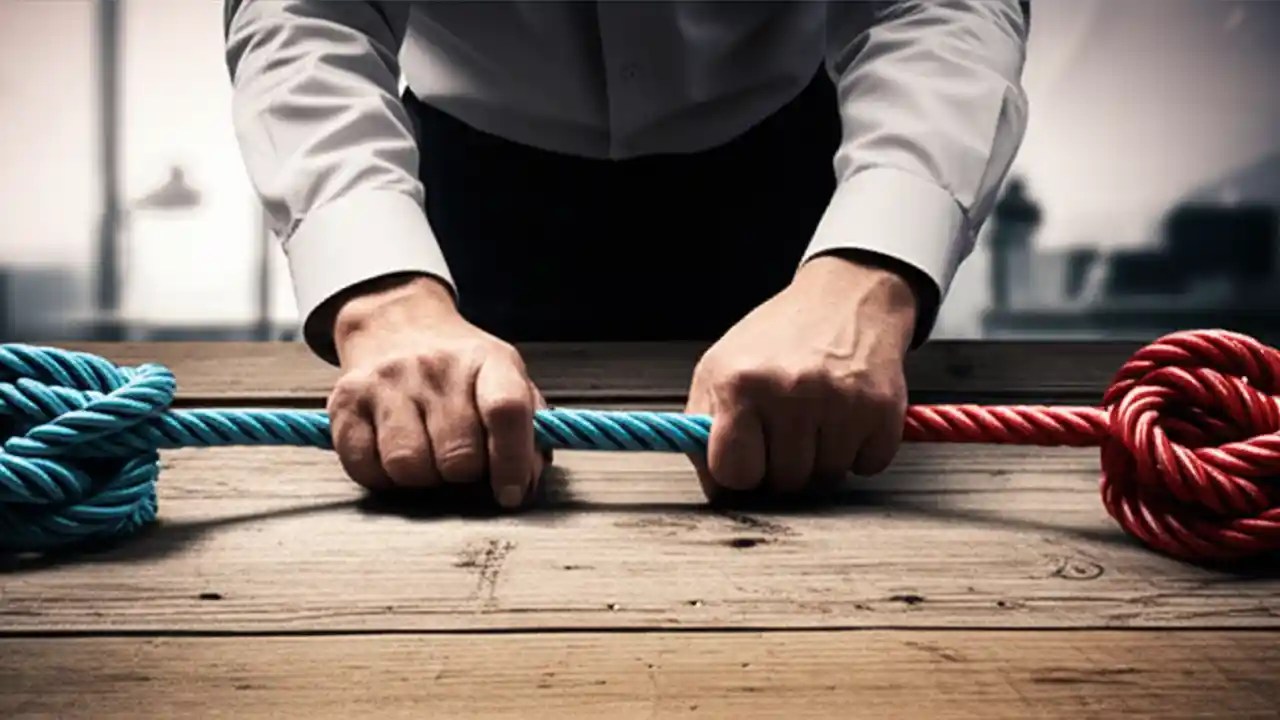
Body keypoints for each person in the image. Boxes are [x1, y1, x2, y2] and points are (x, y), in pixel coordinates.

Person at [222, 1, 1030, 510]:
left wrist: (869, 273)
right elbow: (308, 13)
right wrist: (381, 297)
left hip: (793, 200)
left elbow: (939, 6)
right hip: (457, 213)